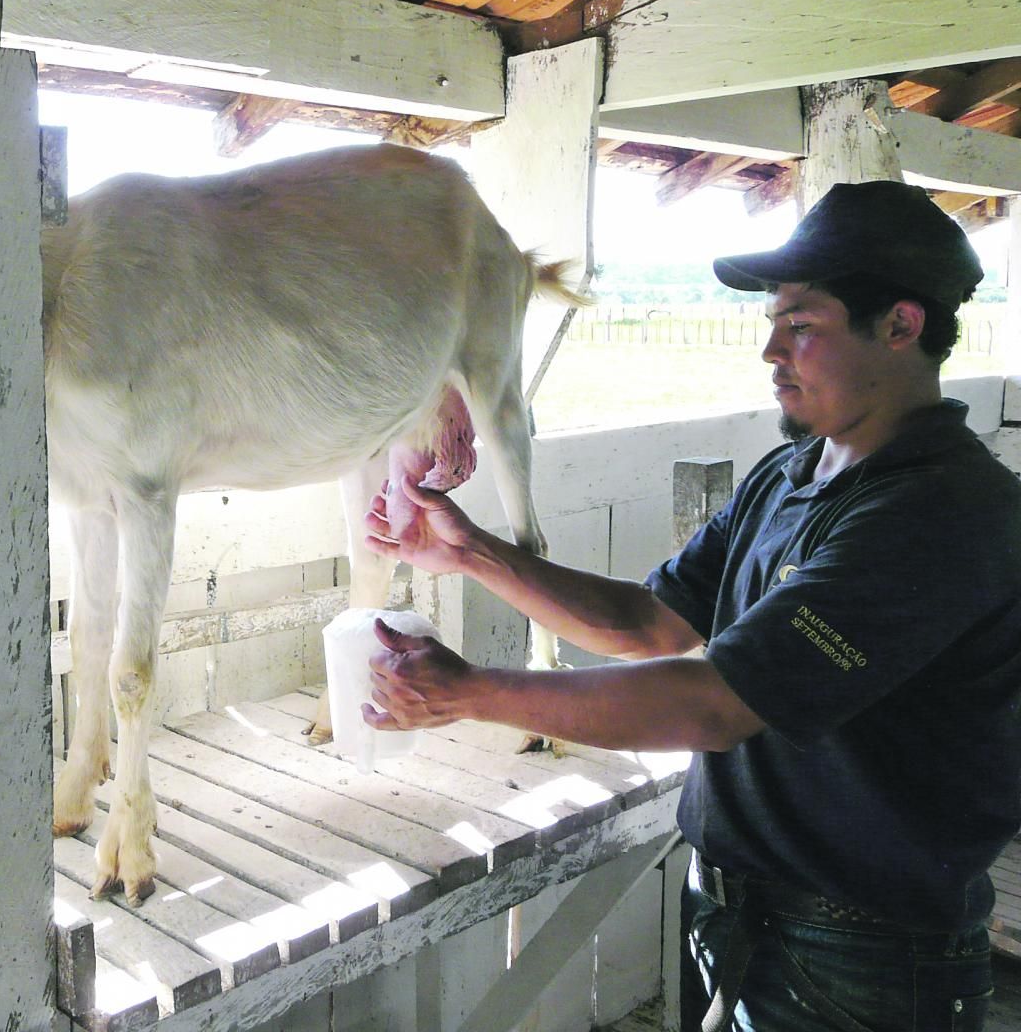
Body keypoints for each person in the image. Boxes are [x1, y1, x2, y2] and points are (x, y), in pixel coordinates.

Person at [361, 179, 1021, 1032]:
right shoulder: (792, 475)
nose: (771, 349)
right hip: (738, 913)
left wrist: (467, 693)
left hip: (864, 957)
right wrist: (474, 553)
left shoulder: (942, 513)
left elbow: (716, 704)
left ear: (901, 326)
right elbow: (649, 624)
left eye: (803, 324)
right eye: (774, 320)